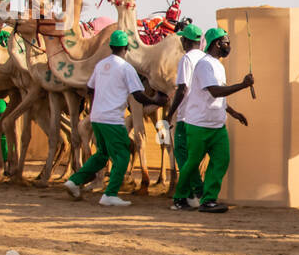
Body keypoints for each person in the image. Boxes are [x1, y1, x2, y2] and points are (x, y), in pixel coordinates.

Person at [63, 30, 166, 207]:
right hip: (112, 119)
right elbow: (138, 95)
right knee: (122, 155)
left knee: (102, 154)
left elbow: (90, 88)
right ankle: (110, 194)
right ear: (126, 48)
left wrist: (101, 100)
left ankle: (74, 181)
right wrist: (155, 100)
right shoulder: (126, 68)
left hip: (96, 117)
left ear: (111, 47)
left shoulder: (101, 65)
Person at [171, 27, 253, 213]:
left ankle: (208, 200)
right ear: (217, 43)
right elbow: (214, 91)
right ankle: (180, 197)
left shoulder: (218, 65)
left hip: (217, 125)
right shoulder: (204, 65)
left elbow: (219, 97)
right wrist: (243, 85)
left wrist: (233, 113)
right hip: (199, 125)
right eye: (226, 42)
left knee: (221, 160)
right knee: (192, 163)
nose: (228, 46)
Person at [163, 23, 206, 206]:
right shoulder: (207, 59)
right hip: (201, 116)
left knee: (182, 156)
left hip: (186, 116)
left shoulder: (186, 59)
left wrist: (170, 113)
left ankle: (190, 194)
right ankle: (197, 192)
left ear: (185, 40)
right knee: (191, 158)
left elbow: (182, 88)